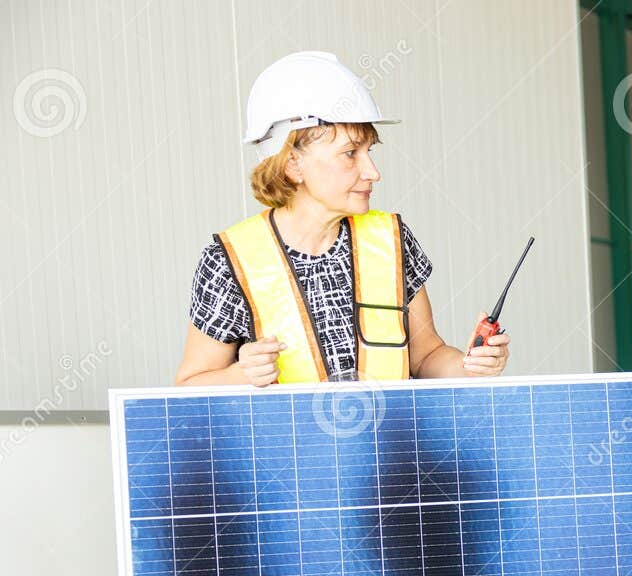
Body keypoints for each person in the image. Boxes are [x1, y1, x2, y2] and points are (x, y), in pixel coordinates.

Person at [176, 51, 509, 386]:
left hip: (390, 439)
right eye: (350, 153)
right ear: (293, 163)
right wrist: (240, 375)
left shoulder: (391, 240)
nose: (373, 172)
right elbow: (188, 386)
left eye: (369, 152)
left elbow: (426, 357)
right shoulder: (230, 261)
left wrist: (470, 366)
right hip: (291, 441)